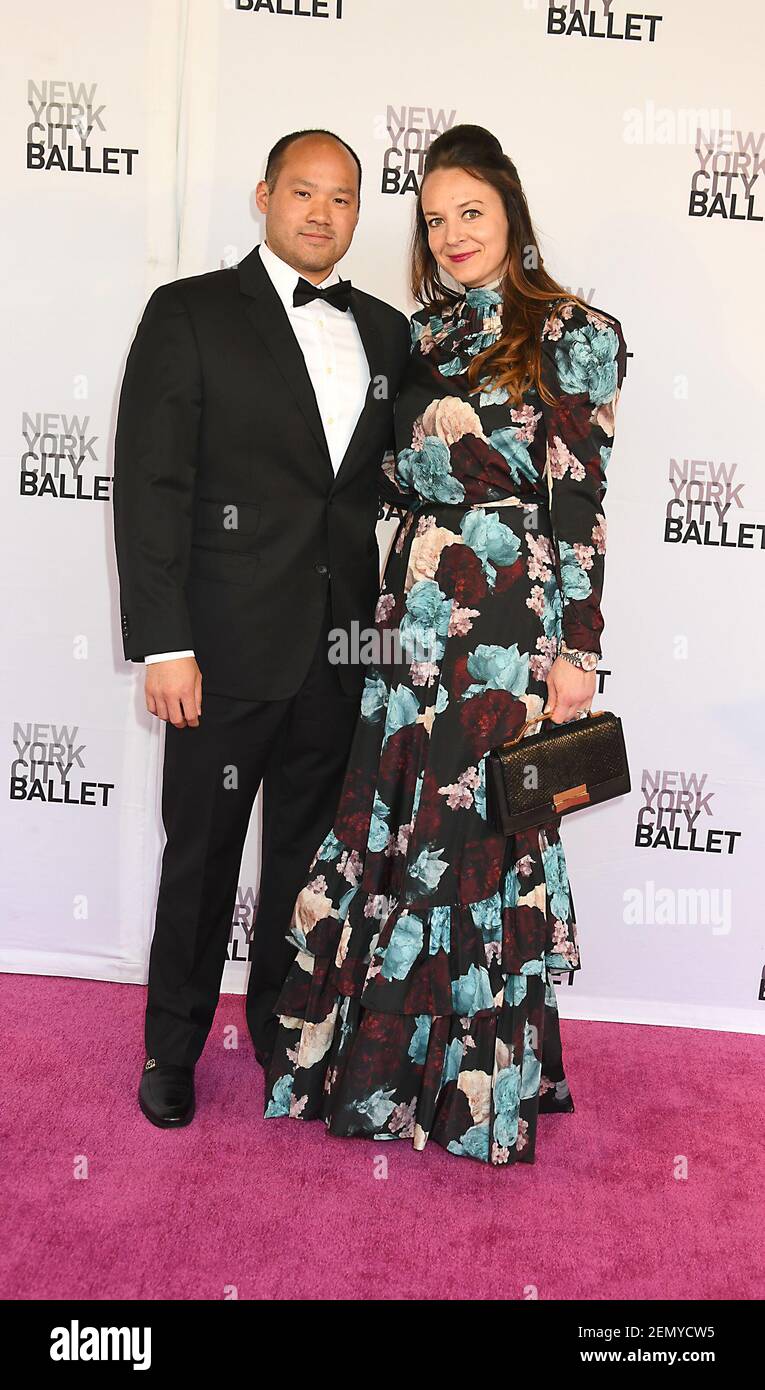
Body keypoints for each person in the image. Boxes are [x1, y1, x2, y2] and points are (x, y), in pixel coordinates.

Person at [263, 124, 628, 1166]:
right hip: (406, 632)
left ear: (509, 211)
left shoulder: (573, 332)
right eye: (433, 218)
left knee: (477, 834)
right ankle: (378, 1075)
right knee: (397, 833)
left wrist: (578, 650)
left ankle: (471, 1091)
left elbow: (582, 503)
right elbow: (383, 476)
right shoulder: (421, 338)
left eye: (470, 211)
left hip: (507, 632)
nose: (452, 233)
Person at [112, 129, 411, 1128]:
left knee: (302, 862)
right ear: (263, 196)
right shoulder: (190, 312)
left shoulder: (387, 330)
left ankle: (287, 1035)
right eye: (303, 192)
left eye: (342, 199)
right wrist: (164, 641)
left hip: (339, 655)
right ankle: (171, 1047)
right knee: (199, 859)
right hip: (220, 653)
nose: (322, 213)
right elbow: (153, 484)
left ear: (358, 214)